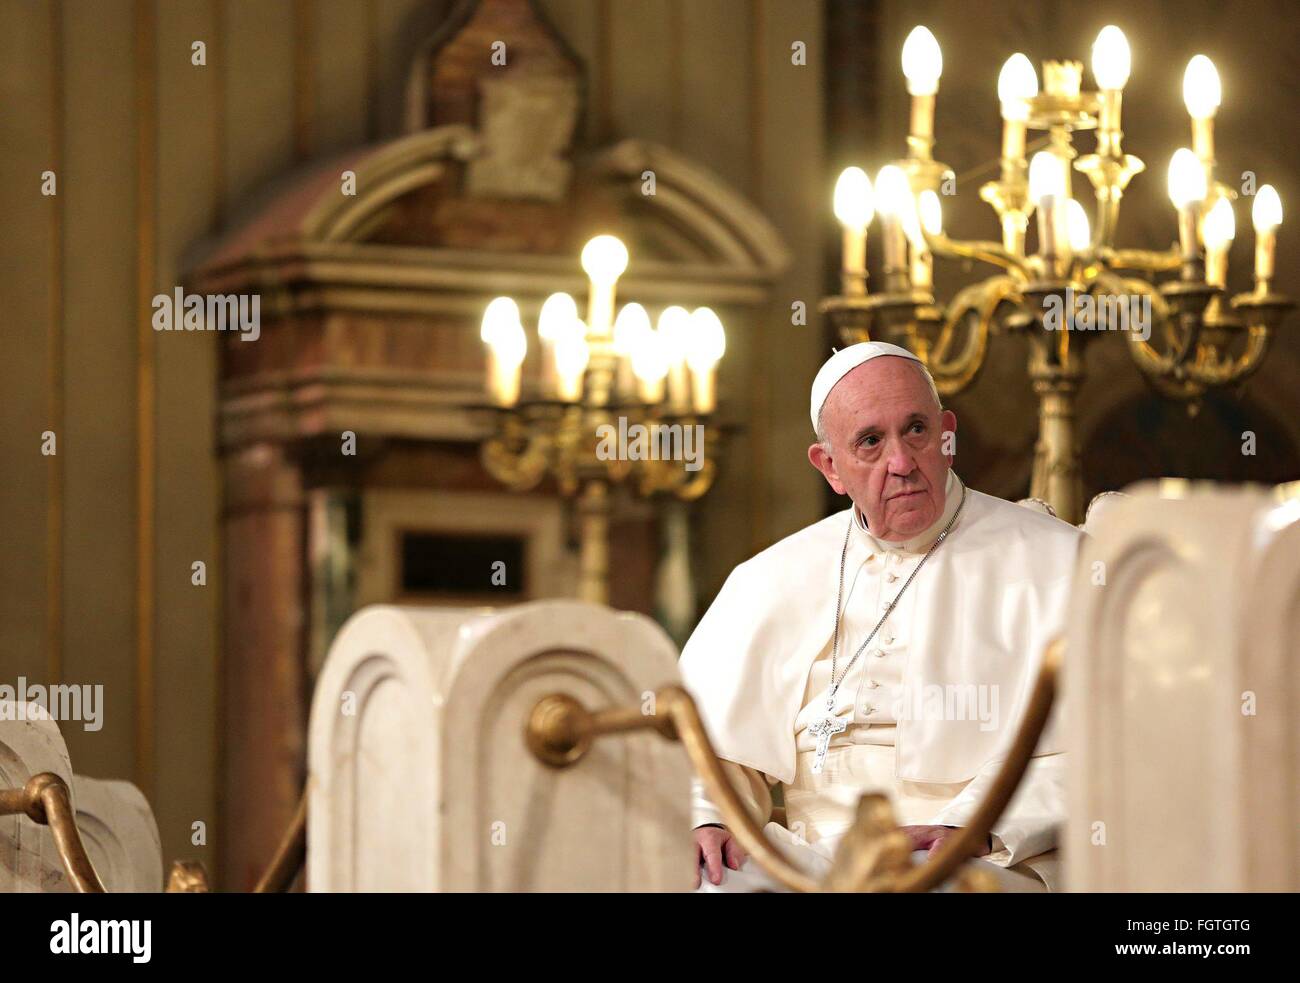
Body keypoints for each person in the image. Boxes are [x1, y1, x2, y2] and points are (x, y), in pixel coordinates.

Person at [679, 341, 1082, 892]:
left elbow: (1113, 740)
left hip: (975, 856)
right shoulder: (769, 576)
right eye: (870, 441)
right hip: (804, 855)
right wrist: (709, 815)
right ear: (830, 467)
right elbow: (701, 743)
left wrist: (974, 826)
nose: (901, 462)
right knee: (702, 878)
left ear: (947, 434)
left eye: (916, 429)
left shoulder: (1060, 561)